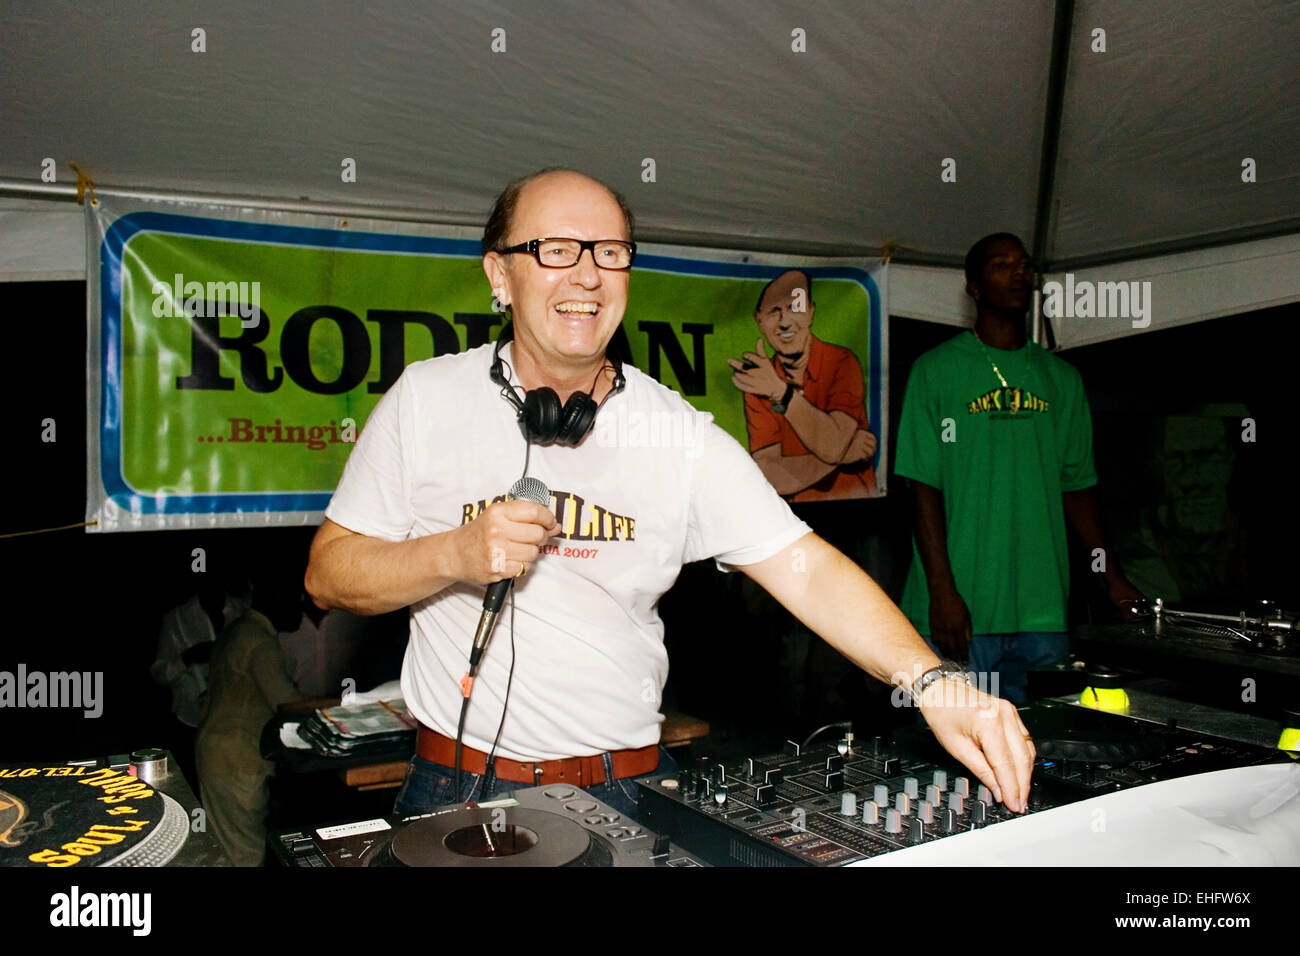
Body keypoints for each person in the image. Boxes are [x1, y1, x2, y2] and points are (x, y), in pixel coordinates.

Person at [305, 170, 1036, 822]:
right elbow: (328, 574)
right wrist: (453, 552)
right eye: (556, 249)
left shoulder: (677, 433)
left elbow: (806, 567)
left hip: (629, 790)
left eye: (609, 252)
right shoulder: (425, 401)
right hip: (456, 788)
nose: (587, 275)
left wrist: (936, 682)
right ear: (499, 274)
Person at [894, 233, 1143, 704]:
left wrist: (1111, 576)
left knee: (1041, 751)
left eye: (1024, 265)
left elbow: (1077, 487)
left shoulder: (1062, 380)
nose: (1018, 273)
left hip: (1042, 612)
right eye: (1001, 264)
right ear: (974, 287)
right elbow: (922, 487)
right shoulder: (935, 370)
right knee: (955, 762)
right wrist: (941, 593)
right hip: (961, 614)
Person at [729, 270, 878, 501]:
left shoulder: (841, 362)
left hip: (854, 516)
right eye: (774, 312)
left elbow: (832, 445)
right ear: (759, 321)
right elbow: (771, 476)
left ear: (810, 312)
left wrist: (780, 392)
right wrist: (843, 455)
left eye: (794, 308)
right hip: (791, 521)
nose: (785, 322)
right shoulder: (760, 381)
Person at [195, 570, 303, 866]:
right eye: (298, 598)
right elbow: (288, 704)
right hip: (236, 760)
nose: (302, 607)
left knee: (225, 849)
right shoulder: (259, 641)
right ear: (275, 600)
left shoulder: (238, 629)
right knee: (246, 854)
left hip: (217, 753)